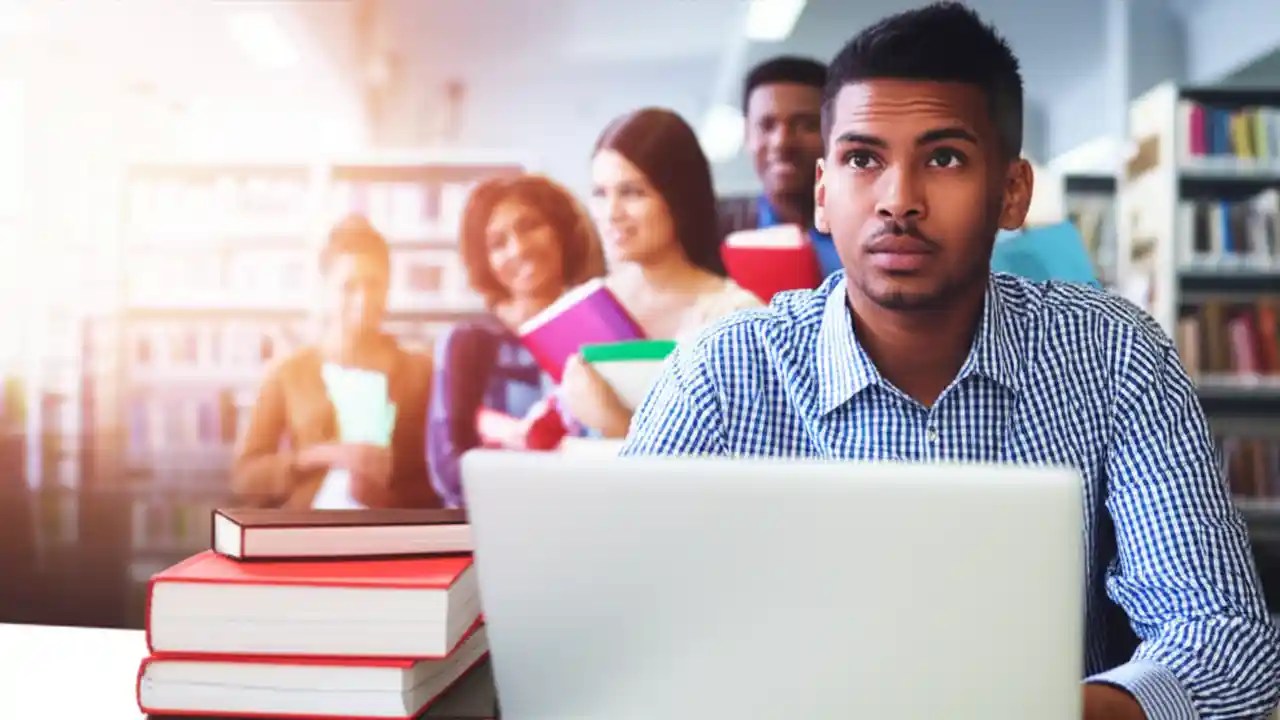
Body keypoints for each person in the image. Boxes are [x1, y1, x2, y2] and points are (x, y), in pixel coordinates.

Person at [621, 4, 1280, 720]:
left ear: (1012, 192)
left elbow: (1228, 644)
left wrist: (1028, 711)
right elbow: (623, 629)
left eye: (944, 158)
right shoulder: (724, 371)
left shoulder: (1113, 355)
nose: (898, 202)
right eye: (862, 159)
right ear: (821, 192)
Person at [559, 107, 762, 439]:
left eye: (632, 192)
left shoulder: (737, 317)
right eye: (600, 193)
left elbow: (741, 462)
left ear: (679, 198)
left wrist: (617, 423)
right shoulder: (584, 307)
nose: (611, 213)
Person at [232, 214, 439, 509]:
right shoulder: (288, 372)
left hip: (391, 541)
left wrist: (394, 501)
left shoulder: (420, 371)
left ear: (388, 287)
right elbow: (245, 478)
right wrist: (321, 455)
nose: (363, 299)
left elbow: (438, 480)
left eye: (374, 285)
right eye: (349, 286)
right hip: (309, 540)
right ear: (326, 288)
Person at [426, 174, 606, 508]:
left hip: (587, 522)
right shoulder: (468, 344)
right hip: (493, 530)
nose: (519, 248)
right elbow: (448, 471)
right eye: (497, 243)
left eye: (530, 226)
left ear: (561, 231)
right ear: (484, 260)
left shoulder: (600, 334)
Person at [716, 55, 840, 279]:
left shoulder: (872, 229)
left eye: (805, 125)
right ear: (747, 135)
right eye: (766, 125)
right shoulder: (713, 233)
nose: (782, 143)